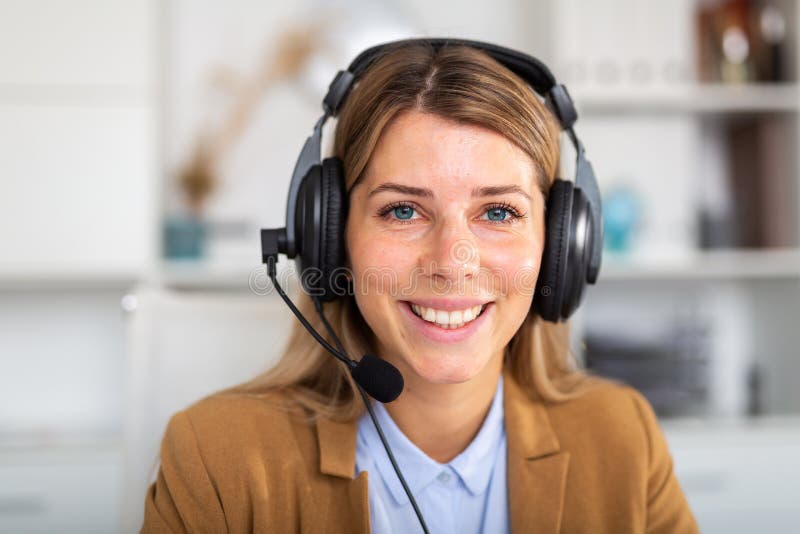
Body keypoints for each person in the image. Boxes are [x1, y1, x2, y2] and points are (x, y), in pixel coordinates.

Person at [141, 39, 699, 533]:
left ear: (561, 245)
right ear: (330, 238)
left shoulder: (623, 440)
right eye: (403, 210)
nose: (451, 264)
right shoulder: (216, 460)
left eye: (499, 212)